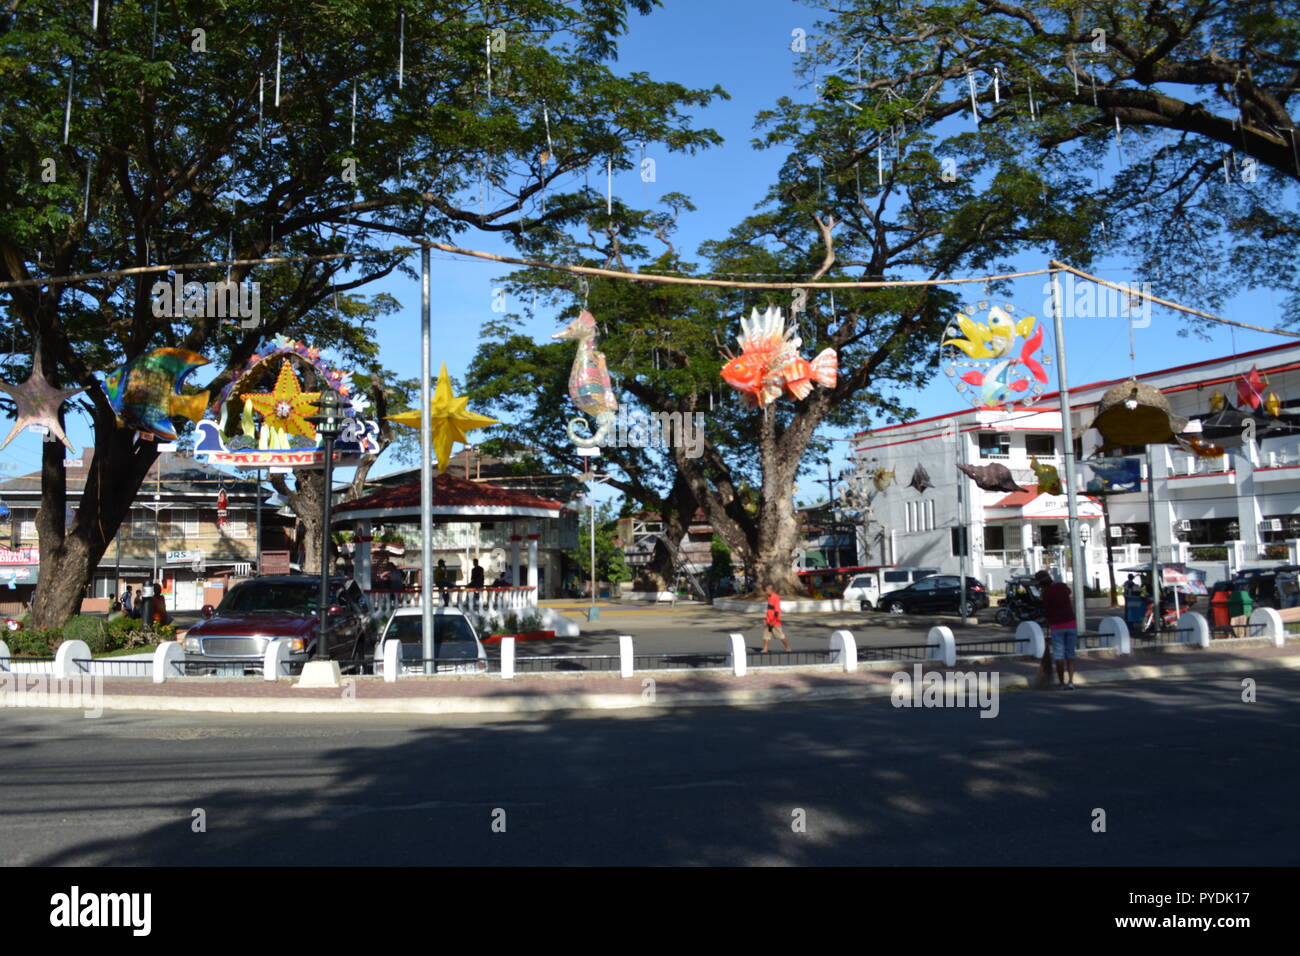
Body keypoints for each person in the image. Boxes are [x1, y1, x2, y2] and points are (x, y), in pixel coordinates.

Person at [1036, 570, 1077, 688]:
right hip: (1071, 624)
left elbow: (1047, 612)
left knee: (1059, 655)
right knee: (1070, 654)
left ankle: (1061, 682)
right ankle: (1071, 682)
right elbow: (1068, 592)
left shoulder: (1046, 594)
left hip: (1057, 626)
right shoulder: (1062, 586)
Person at [761, 586, 793, 653]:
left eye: (766, 590)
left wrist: (773, 621)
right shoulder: (769, 597)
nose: (765, 592)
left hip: (774, 622)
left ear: (770, 590)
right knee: (766, 635)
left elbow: (777, 611)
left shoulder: (775, 597)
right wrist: (767, 619)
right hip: (768, 620)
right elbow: (770, 610)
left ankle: (788, 647)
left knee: (780, 635)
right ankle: (765, 648)